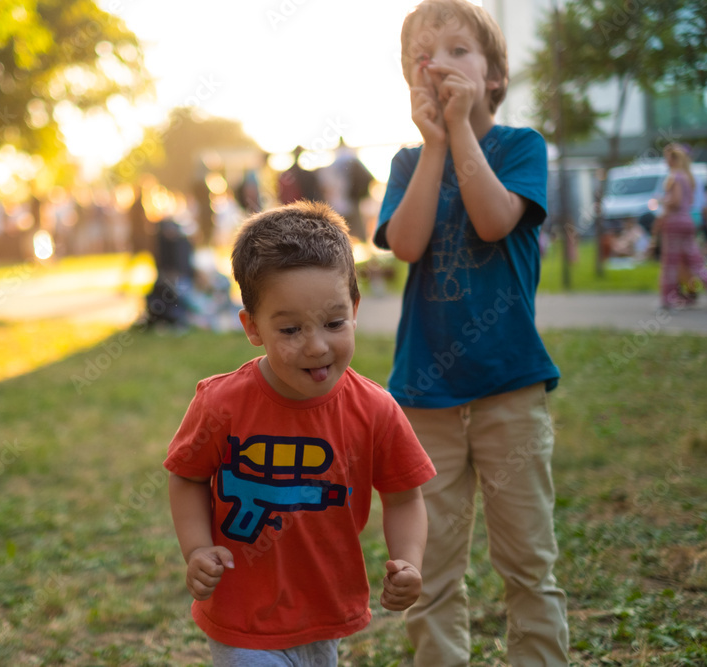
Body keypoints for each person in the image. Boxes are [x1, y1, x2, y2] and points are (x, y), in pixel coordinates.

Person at [373, 1, 570, 664]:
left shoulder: (520, 147)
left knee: (528, 564)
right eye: (422, 57)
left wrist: (460, 130)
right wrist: (436, 143)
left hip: (509, 388)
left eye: (459, 50)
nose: (438, 65)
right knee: (427, 572)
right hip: (425, 395)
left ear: (494, 76)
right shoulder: (408, 162)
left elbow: (492, 220)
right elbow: (406, 244)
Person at [165, 201, 436, 665]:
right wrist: (197, 549)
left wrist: (409, 560)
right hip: (242, 615)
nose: (316, 346)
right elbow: (187, 476)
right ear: (252, 327)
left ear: (354, 309)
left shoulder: (375, 409)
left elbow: (404, 497)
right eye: (290, 329)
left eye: (334, 323)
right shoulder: (221, 403)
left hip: (324, 612)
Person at [651, 144, 707, 310]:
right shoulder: (688, 177)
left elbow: (675, 201)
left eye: (667, 158)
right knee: (695, 260)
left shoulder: (675, 177)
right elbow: (690, 201)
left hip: (674, 222)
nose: (666, 162)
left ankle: (668, 298)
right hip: (687, 220)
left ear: (673, 159)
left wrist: (662, 200)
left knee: (670, 262)